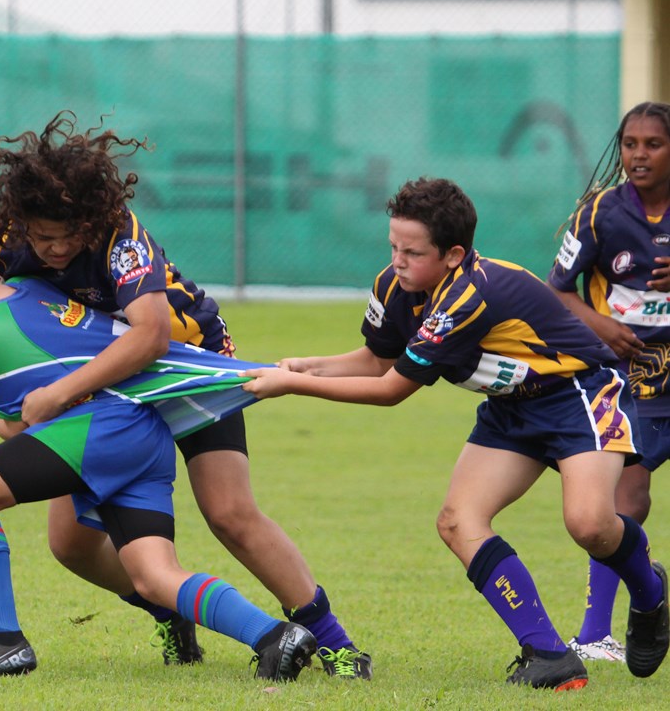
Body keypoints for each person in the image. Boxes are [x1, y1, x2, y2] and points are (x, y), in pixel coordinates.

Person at [0, 112, 370, 679]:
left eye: (64, 237)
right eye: (40, 237)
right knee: (71, 545)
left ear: (90, 218)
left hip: (185, 364)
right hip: (104, 383)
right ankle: (168, 604)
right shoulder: (11, 241)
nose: (51, 249)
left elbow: (151, 336)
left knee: (229, 512)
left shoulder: (119, 234)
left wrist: (58, 395)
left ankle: (335, 644)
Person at [241, 176, 670, 690]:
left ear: (453, 254)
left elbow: (392, 389)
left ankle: (650, 594)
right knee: (458, 521)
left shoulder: (468, 295)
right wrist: (307, 366)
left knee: (589, 525)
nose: (397, 260)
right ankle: (548, 655)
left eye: (412, 252)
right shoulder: (394, 286)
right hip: (512, 410)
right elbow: (377, 360)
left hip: (578, 396)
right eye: (393, 246)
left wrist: (292, 386)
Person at [0, 247, 317, 680]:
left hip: (103, 430)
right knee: (156, 577)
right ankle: (273, 636)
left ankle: (2, 641)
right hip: (144, 430)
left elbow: (21, 429)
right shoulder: (31, 289)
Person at [547, 101, 670, 662]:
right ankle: (597, 632)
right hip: (632, 379)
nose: (638, 155)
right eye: (630, 144)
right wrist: (604, 329)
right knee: (626, 498)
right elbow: (558, 289)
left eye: (653, 144)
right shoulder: (598, 213)